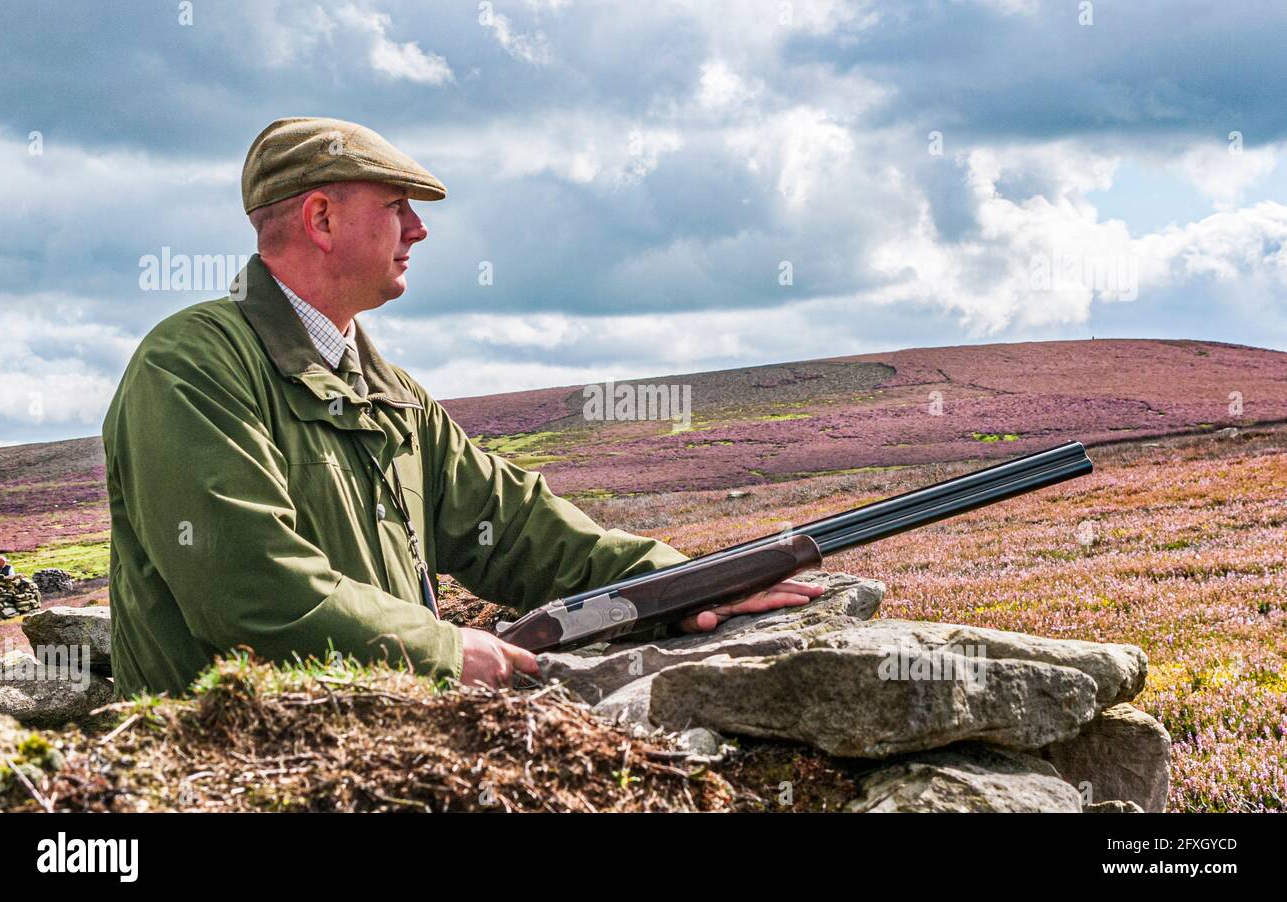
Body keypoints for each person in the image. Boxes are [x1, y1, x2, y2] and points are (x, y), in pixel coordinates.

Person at [102, 117, 822, 698]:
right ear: (321, 217)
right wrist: (441, 651)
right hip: (222, 775)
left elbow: (515, 530)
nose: (418, 230)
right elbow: (252, 594)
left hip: (359, 754)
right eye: (395, 208)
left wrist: (693, 581)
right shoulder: (191, 367)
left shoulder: (390, 392)